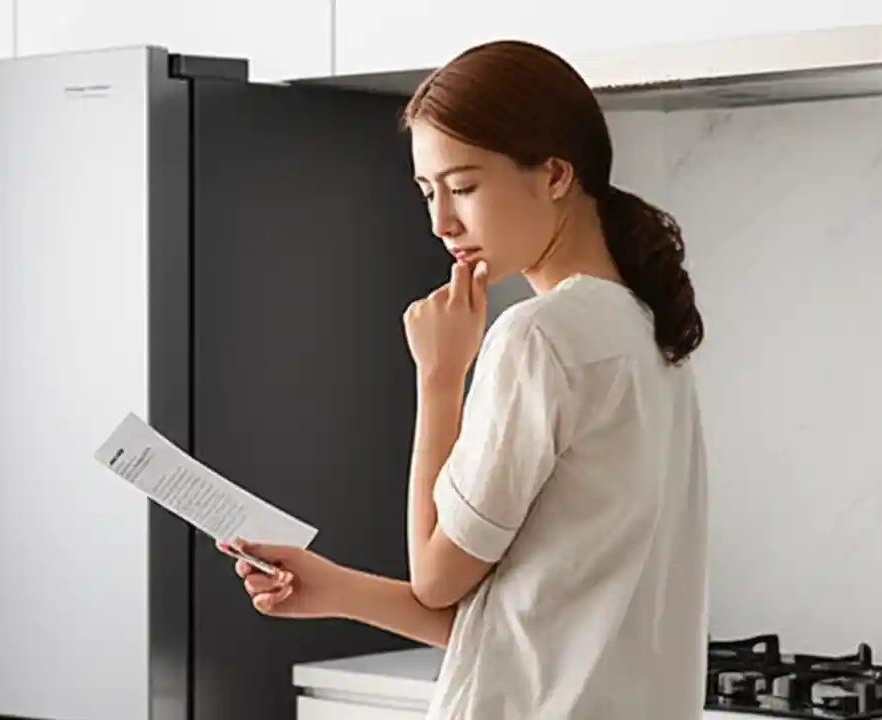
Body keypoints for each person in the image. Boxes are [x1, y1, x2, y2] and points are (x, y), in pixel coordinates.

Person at [218, 39, 708, 719]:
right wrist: (334, 591)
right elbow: (519, 632)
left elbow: (436, 577)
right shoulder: (648, 337)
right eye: (427, 191)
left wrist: (440, 378)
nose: (441, 222)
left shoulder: (538, 337)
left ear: (556, 175)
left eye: (464, 187)